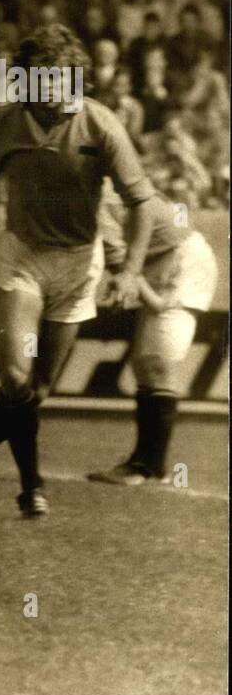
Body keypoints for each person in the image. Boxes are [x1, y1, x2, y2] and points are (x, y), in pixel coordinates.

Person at [0, 25, 156, 517]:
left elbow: (144, 203)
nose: (49, 86)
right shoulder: (2, 127)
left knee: (38, 391)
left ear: (75, 77)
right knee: (14, 378)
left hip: (79, 263)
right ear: (24, 81)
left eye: (59, 76)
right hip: (23, 259)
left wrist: (131, 270)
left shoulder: (100, 125)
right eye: (39, 77)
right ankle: (31, 485)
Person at [88, 190, 219, 485]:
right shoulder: (102, 188)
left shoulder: (94, 197)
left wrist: (128, 283)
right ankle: (145, 462)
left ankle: (147, 466)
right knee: (145, 364)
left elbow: (119, 255)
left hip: (181, 262)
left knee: (157, 363)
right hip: (168, 259)